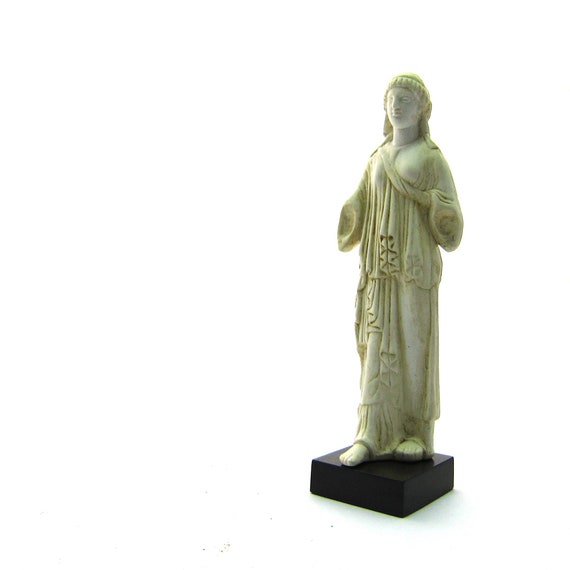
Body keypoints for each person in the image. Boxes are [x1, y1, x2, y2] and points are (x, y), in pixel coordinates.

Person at [337, 73, 463, 466]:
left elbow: (453, 221)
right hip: (380, 266)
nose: (397, 105)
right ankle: (371, 433)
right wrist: (350, 213)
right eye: (392, 98)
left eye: (406, 99)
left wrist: (431, 202)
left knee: (413, 346)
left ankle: (417, 433)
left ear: (423, 109)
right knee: (377, 343)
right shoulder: (377, 158)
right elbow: (360, 202)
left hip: (414, 266)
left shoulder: (431, 158)